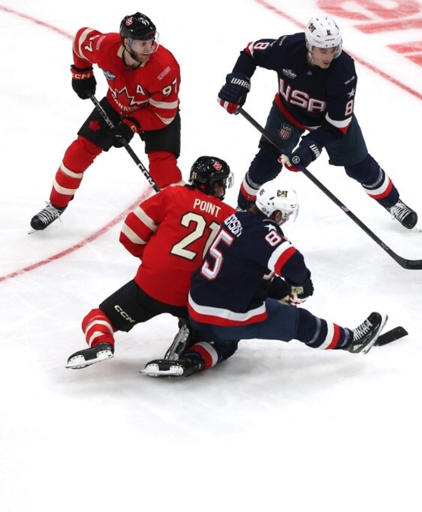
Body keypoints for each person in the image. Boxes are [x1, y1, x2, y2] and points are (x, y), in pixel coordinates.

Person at [141, 182, 388, 377]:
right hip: (225, 313)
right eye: (286, 214)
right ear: (276, 212)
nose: (286, 219)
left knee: (227, 342)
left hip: (197, 306)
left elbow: (246, 268)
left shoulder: (236, 218)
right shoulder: (265, 232)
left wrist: (280, 288)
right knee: (299, 321)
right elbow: (294, 264)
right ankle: (351, 340)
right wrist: (301, 287)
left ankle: (191, 361)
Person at [216, 15, 418, 229]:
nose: (329, 56)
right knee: (266, 163)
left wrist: (310, 147)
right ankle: (241, 211)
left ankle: (394, 203)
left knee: (359, 166)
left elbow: (338, 125)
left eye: (333, 49)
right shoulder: (287, 49)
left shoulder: (344, 71)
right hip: (288, 113)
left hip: (329, 123)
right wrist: (238, 82)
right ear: (309, 46)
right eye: (323, 50)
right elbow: (250, 53)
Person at [66, 156, 235, 369]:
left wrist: (156, 259)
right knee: (225, 340)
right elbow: (234, 266)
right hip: (193, 297)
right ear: (215, 184)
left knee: (99, 316)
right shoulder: (232, 217)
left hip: (151, 285)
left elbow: (129, 234)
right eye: (222, 183)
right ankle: (193, 357)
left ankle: (102, 343)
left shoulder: (173, 194)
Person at [31, 12, 183, 231]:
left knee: (164, 169)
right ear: (126, 42)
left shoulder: (165, 68)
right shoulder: (105, 47)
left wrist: (131, 125)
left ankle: (182, 216)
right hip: (116, 104)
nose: (150, 48)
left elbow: (164, 115)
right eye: (143, 44)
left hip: (153, 114)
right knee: (77, 153)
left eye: (152, 41)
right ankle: (56, 205)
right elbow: (81, 39)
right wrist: (81, 72)